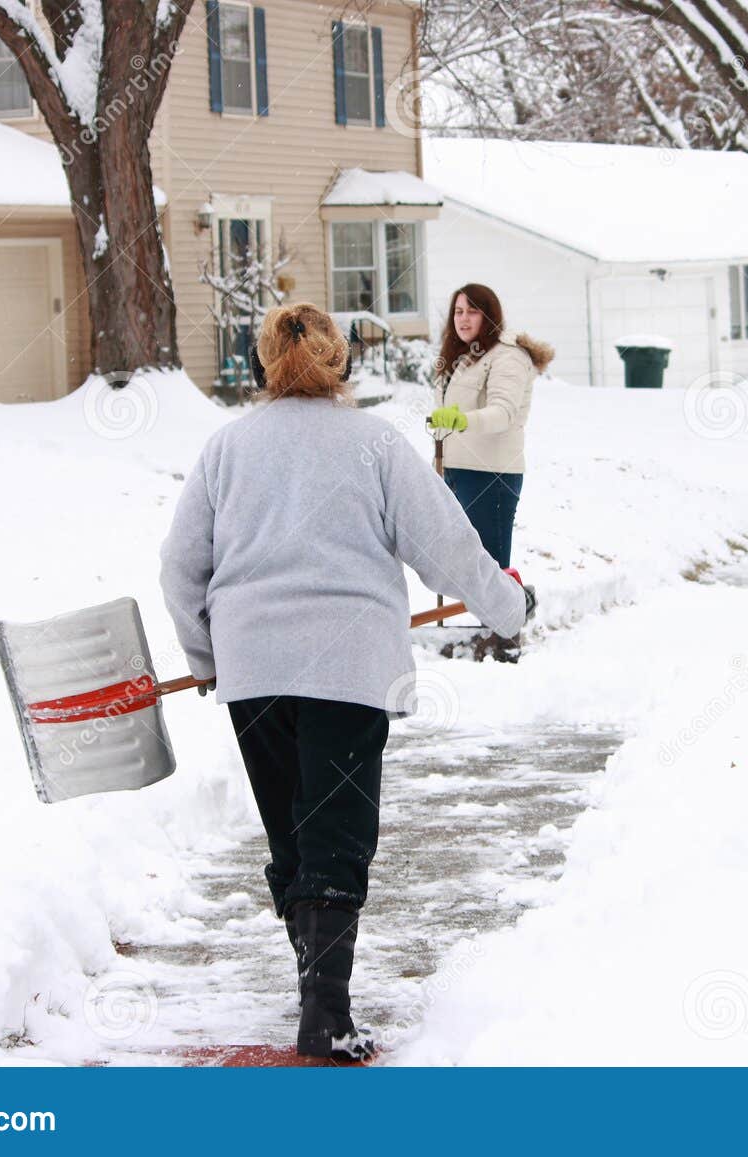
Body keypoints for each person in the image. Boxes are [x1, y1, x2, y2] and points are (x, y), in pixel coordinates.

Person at [159, 303, 528, 1064]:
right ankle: (325, 1008)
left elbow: (179, 565)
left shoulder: (227, 447)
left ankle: (317, 988)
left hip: (254, 669)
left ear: (266, 362)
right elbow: (447, 543)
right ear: (340, 361)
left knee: (293, 834)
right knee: (336, 835)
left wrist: (206, 658)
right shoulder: (374, 444)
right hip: (351, 666)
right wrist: (507, 607)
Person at [428, 284, 554, 569]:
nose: (463, 319)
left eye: (473, 311)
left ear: (490, 316)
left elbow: (504, 413)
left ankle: (511, 611)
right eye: (458, 312)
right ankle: (499, 610)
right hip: (455, 472)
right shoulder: (461, 357)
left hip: (490, 476)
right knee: (466, 571)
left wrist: (462, 421)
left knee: (490, 571)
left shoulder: (508, 355)